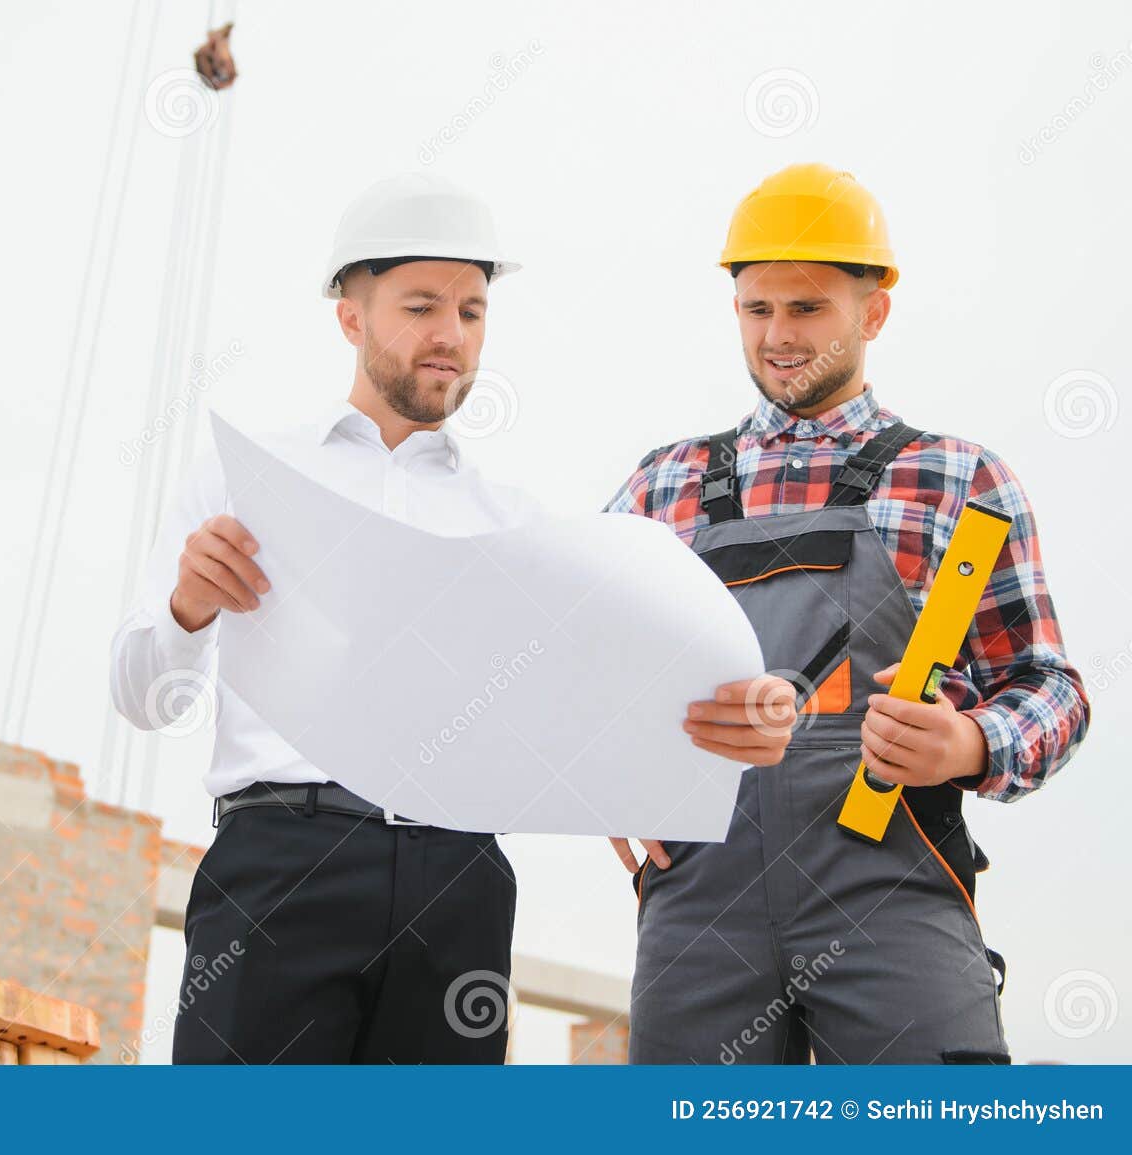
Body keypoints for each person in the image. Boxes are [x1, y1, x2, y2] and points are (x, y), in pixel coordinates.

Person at [109, 172, 797, 1063]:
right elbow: (144, 699)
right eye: (421, 307)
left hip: (459, 885)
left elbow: (602, 695)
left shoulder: (511, 524)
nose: (451, 335)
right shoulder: (245, 479)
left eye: (472, 312)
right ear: (350, 317)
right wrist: (188, 606)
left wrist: (728, 726)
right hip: (280, 865)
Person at [604, 162, 1091, 1064]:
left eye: (808, 308)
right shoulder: (660, 486)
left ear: (875, 312)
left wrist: (969, 742)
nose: (778, 335)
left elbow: (1049, 685)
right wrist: (607, 773)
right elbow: (584, 672)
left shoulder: (958, 479)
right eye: (758, 309)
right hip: (700, 909)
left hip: (891, 893)